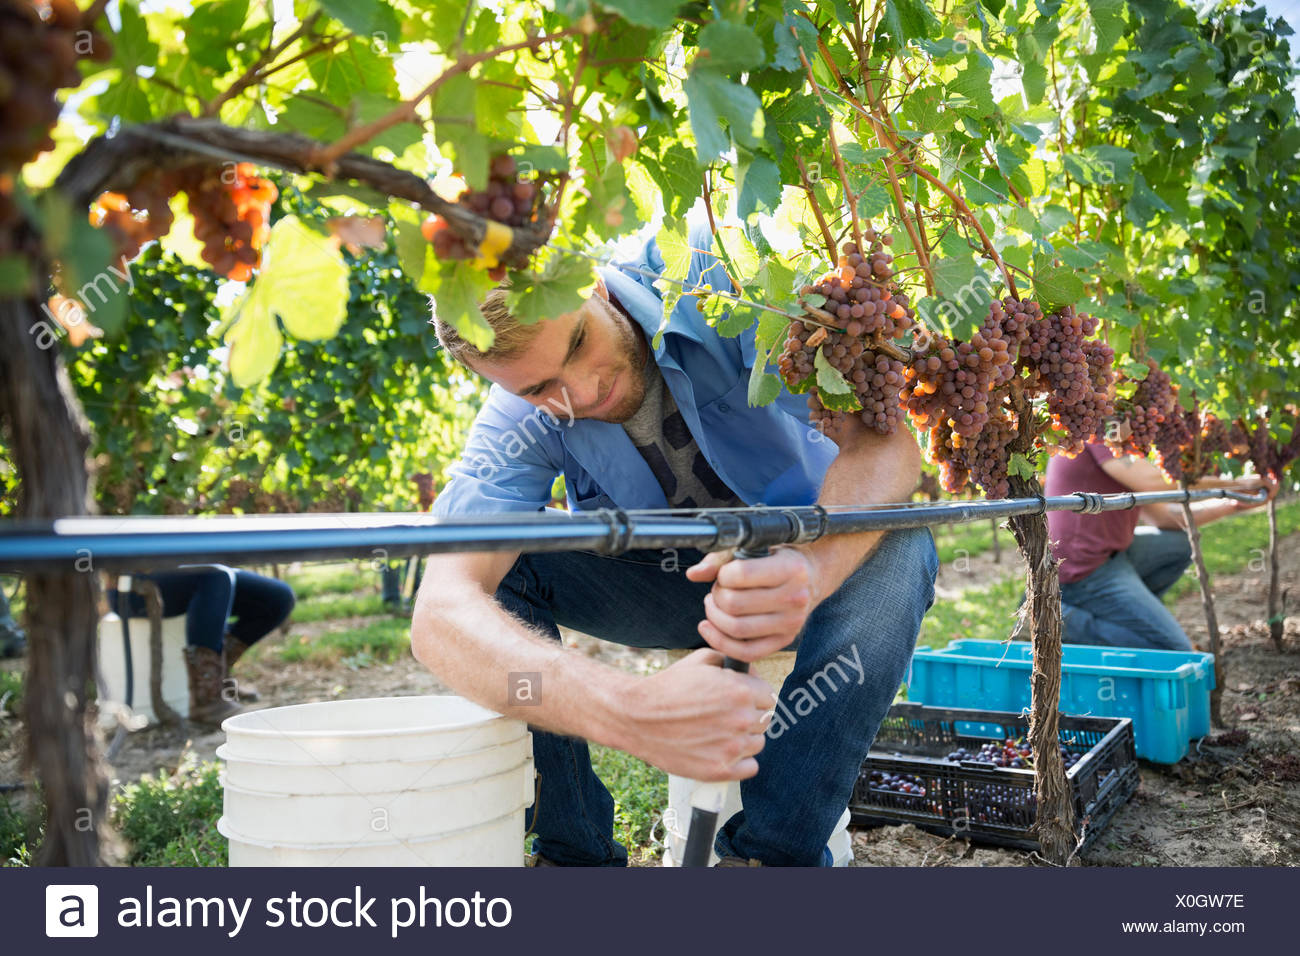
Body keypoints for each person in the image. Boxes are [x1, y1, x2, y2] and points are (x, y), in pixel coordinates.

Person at [410, 221, 938, 867]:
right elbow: (441, 611)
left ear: (592, 282)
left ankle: (766, 861)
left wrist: (812, 567)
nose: (581, 394)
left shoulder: (723, 279)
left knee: (900, 543)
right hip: (667, 589)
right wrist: (625, 708)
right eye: (538, 389)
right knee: (507, 564)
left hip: (806, 576)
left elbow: (882, 443)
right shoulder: (517, 422)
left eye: (578, 343)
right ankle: (575, 858)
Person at [1043, 441, 1276, 650]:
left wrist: (1233, 504)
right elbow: (1152, 481)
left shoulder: (1123, 443)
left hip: (1111, 555)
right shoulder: (1099, 428)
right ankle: (1059, 620)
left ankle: (1123, 613)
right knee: (1173, 650)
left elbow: (1164, 518)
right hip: (1079, 569)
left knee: (1179, 545)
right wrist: (1235, 484)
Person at [106, 566, 295, 725]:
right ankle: (207, 701)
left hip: (193, 569)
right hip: (132, 583)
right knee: (215, 575)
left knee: (279, 597)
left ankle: (215, 678)